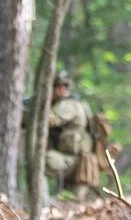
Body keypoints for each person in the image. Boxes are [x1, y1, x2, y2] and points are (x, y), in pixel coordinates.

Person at [44, 70, 104, 200]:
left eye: (64, 86)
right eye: (58, 86)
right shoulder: (76, 104)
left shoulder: (68, 105)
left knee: (42, 159)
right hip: (77, 162)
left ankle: (43, 201)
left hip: (77, 162)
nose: (61, 89)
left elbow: (48, 120)